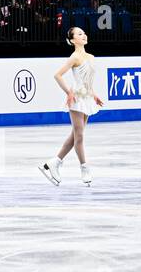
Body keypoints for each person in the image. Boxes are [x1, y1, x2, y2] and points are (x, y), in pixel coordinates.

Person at [40, 26, 104, 187]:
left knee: (75, 135)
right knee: (80, 136)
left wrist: (94, 94)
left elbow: (88, 81)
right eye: (79, 34)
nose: (84, 35)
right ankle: (84, 167)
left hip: (87, 98)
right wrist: (69, 92)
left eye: (84, 32)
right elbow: (57, 75)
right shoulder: (74, 57)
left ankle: (54, 162)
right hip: (76, 99)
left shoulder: (90, 56)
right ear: (72, 40)